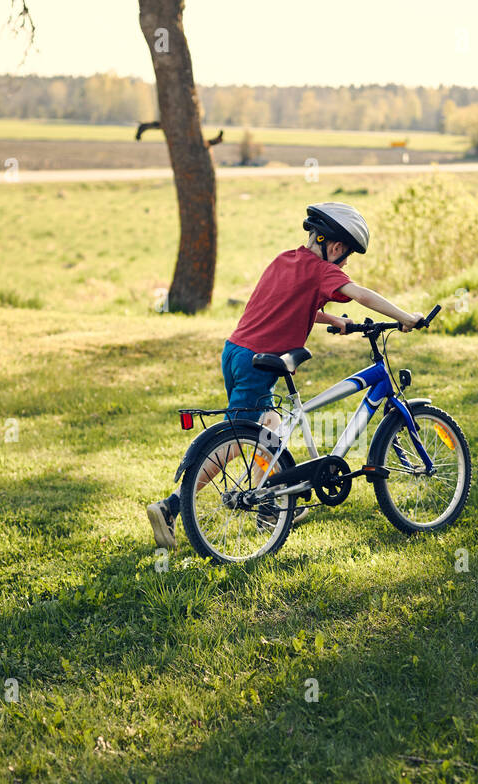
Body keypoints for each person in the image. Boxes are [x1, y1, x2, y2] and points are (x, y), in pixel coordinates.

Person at [146, 201, 423, 549]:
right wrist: (405, 316)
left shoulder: (284, 260)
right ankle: (171, 506)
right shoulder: (323, 271)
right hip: (257, 361)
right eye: (347, 256)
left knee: (269, 429)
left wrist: (333, 319)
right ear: (334, 247)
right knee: (237, 440)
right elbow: (362, 295)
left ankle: (270, 507)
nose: (346, 264)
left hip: (236, 352)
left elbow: (284, 302)